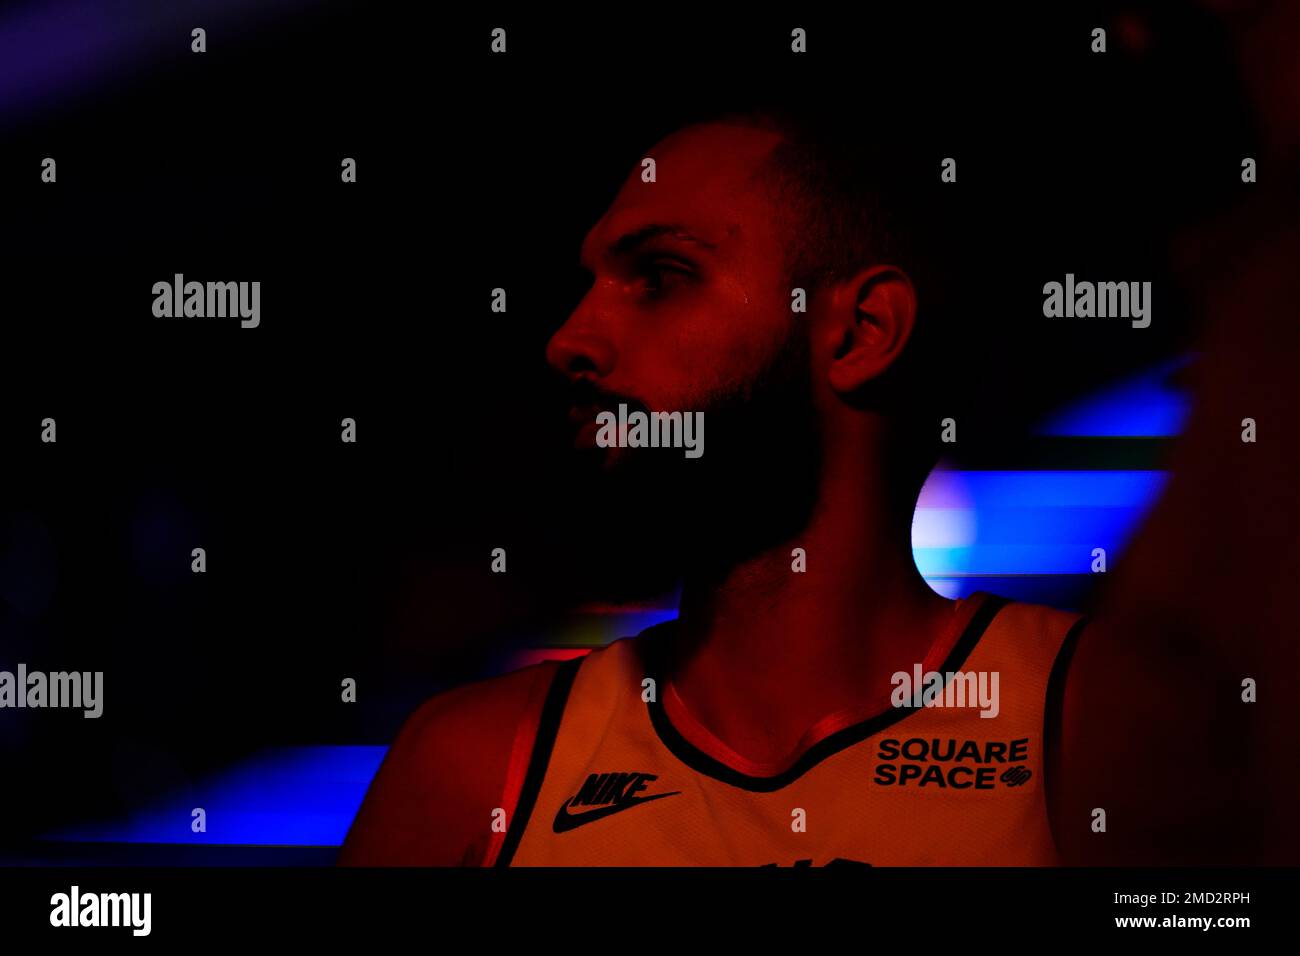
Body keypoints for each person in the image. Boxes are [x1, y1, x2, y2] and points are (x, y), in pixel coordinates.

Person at [339, 109, 1111, 866]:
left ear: (862, 330)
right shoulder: (469, 770)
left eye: (661, 277)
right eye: (589, 284)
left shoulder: (1099, 720)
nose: (566, 340)